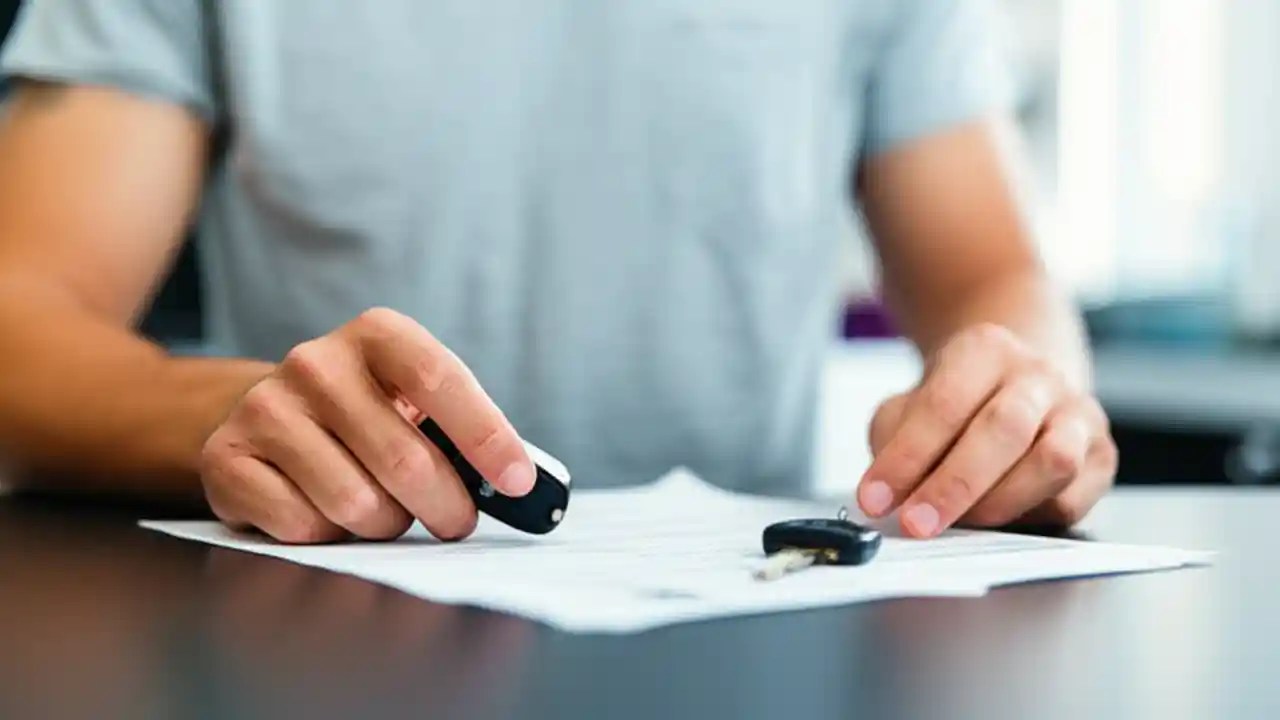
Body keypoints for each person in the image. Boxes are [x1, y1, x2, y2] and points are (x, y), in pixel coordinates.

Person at [0, 1, 1116, 544]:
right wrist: (237, 414)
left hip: (744, 648)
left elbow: (996, 280)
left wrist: (1024, 398)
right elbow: (20, 311)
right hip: (325, 635)